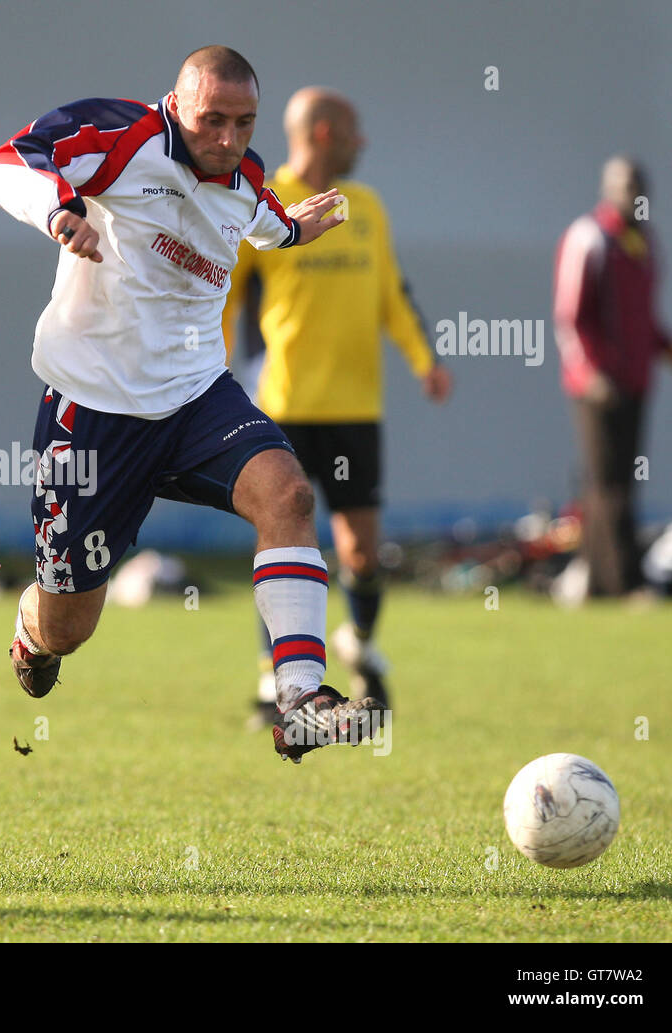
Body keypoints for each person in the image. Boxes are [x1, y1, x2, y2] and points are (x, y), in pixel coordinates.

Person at [0, 46, 383, 764]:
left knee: (288, 494)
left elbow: (258, 218)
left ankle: (298, 697)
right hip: (95, 409)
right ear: (176, 104)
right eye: (211, 121)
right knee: (70, 625)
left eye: (243, 122)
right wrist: (59, 212)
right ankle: (33, 629)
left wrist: (293, 229)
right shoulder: (118, 136)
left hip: (198, 396)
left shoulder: (244, 175)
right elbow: (7, 162)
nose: (227, 139)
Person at [221, 87, 451, 725]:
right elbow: (226, 294)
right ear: (323, 133)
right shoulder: (265, 201)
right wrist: (209, 374)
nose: (364, 142)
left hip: (356, 409)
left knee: (361, 554)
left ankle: (363, 644)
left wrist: (424, 360)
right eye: (354, 131)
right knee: (282, 540)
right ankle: (278, 681)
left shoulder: (369, 207)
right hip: (283, 405)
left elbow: (392, 296)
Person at [553, 155, 672, 598]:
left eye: (640, 186)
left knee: (619, 483)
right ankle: (626, 583)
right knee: (608, 483)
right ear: (608, 188)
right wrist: (589, 372)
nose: (635, 194)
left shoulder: (642, 244)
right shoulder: (589, 237)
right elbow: (570, 317)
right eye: (626, 186)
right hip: (597, 387)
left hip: (635, 382)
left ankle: (593, 582)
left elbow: (644, 321)